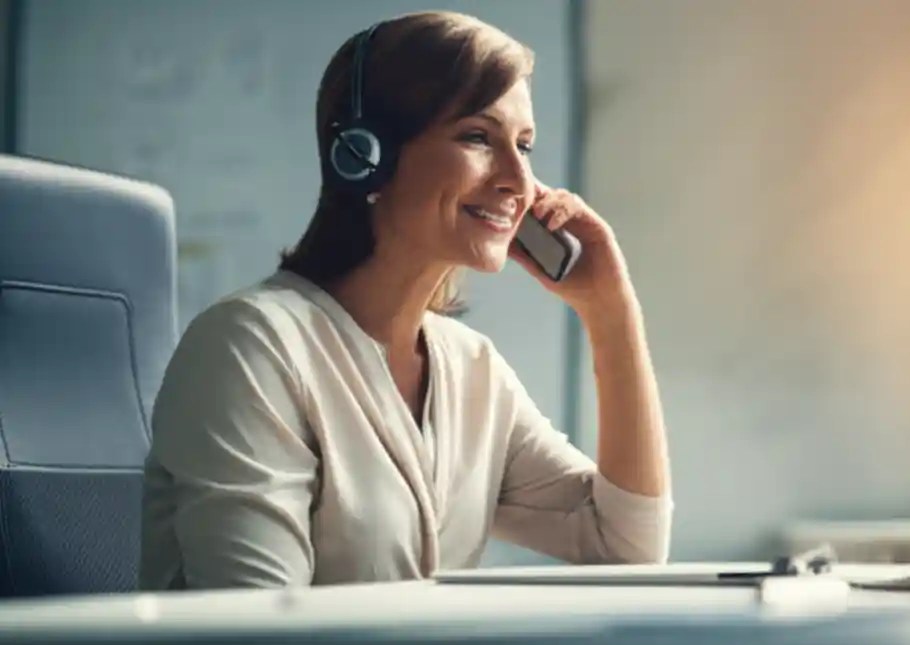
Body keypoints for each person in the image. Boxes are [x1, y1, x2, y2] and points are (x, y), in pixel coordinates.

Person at [139, 11, 672, 590]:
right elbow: (261, 635)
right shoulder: (252, 348)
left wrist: (610, 312)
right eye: (477, 137)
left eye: (524, 145)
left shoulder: (473, 372)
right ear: (367, 153)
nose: (519, 181)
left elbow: (627, 547)